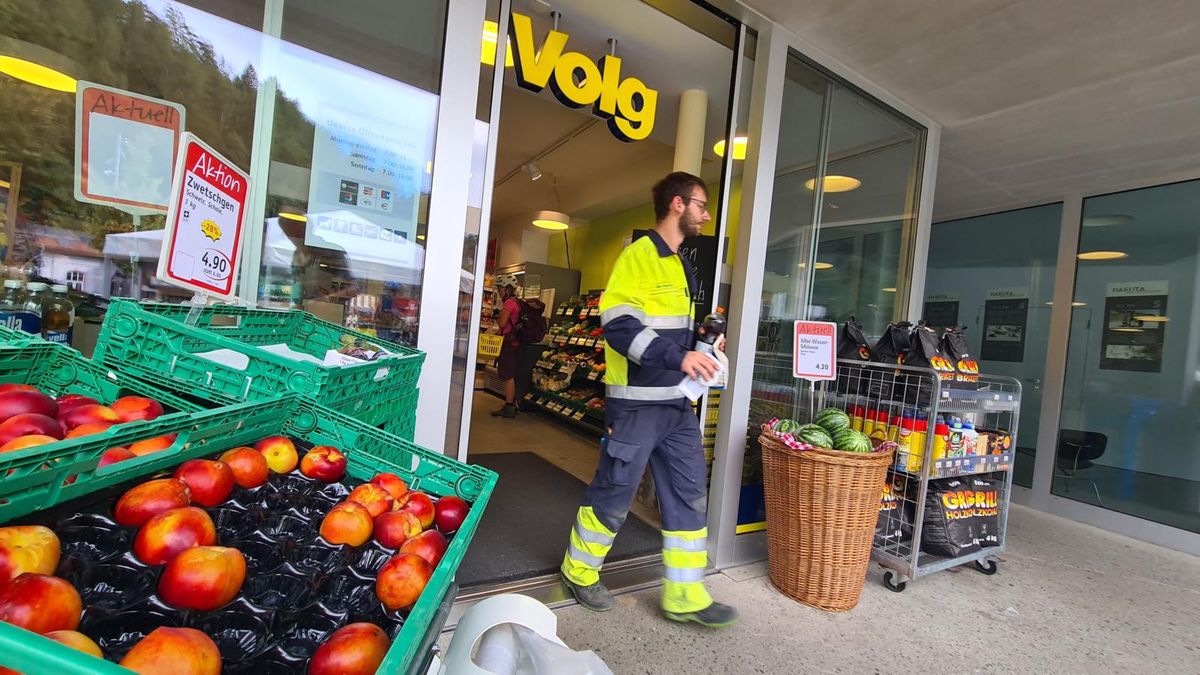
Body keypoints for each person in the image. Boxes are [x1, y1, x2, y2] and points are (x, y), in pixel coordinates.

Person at [559, 172, 736, 627]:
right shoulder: (638, 257)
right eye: (701, 205)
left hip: (676, 405)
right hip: (636, 406)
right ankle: (578, 571)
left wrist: (702, 344)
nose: (706, 215)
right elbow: (619, 327)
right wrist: (679, 357)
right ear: (678, 204)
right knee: (614, 491)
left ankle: (685, 594)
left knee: (689, 494)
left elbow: (669, 331)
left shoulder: (680, 264)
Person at [491, 274, 523, 418]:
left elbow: (502, 323)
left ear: (508, 289)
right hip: (514, 342)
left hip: (509, 344)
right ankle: (511, 404)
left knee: (508, 375)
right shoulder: (517, 302)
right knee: (510, 374)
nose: (499, 291)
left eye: (500, 288)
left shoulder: (509, 303)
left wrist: (498, 316)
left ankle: (509, 406)